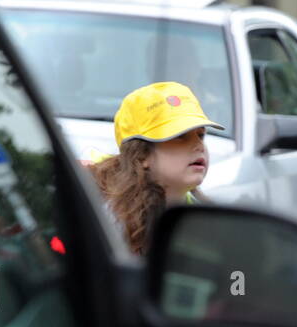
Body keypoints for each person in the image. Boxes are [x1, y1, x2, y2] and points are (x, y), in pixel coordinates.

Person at [91, 81, 223, 255]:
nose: (199, 145)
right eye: (180, 136)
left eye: (201, 135)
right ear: (141, 155)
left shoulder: (205, 218)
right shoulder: (108, 219)